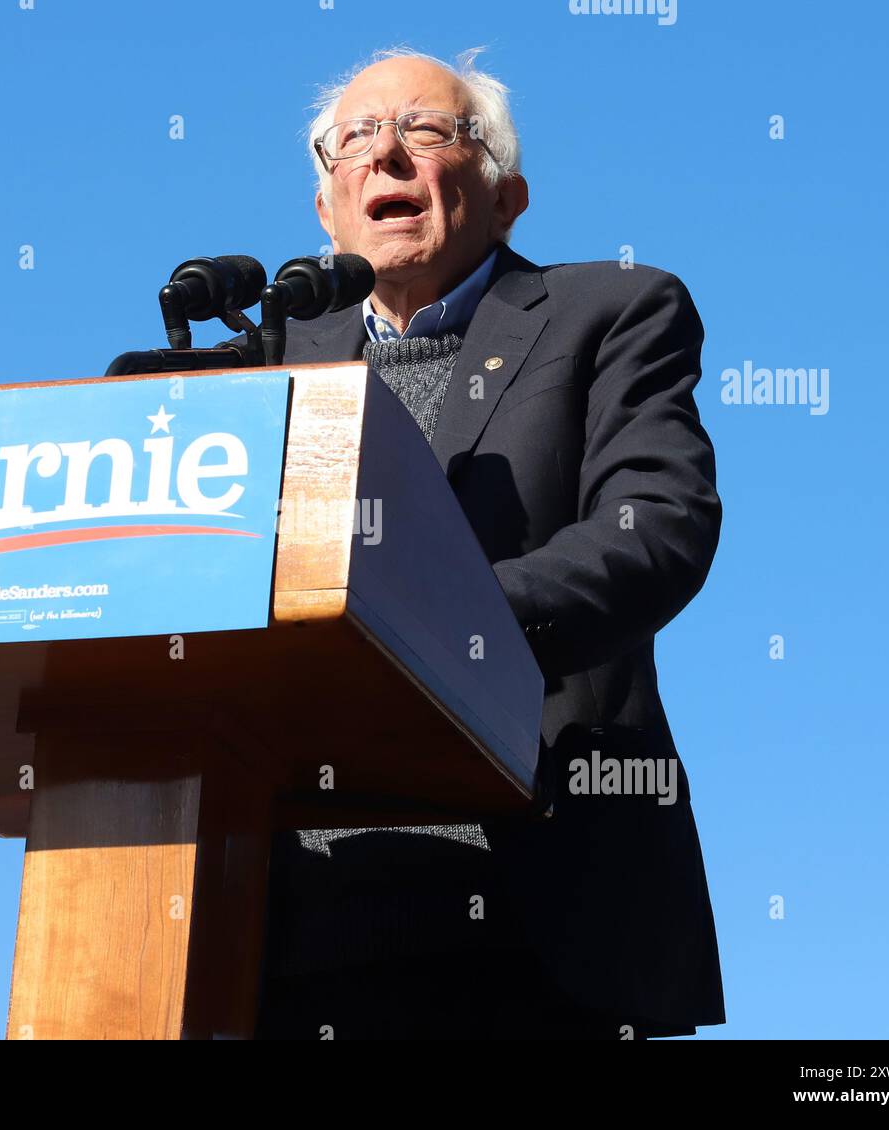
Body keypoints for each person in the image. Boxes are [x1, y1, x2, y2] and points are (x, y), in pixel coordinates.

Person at [253, 47, 725, 1040]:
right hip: (289, 921)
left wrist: (427, 625)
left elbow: (657, 527)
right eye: (354, 139)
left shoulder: (612, 311)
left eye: (426, 131)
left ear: (507, 197)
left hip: (534, 907)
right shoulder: (263, 365)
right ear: (325, 208)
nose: (386, 155)